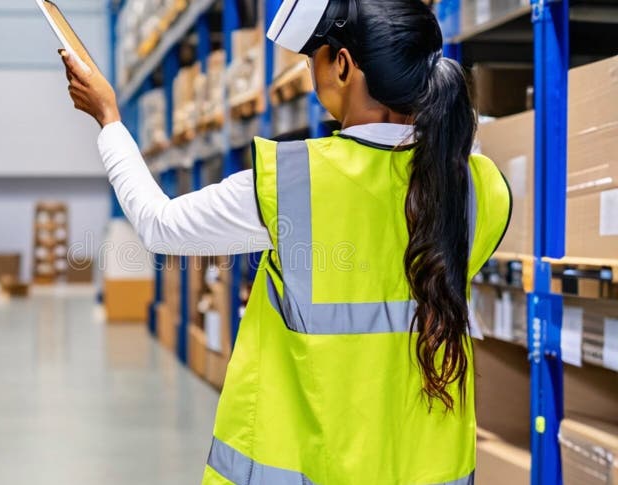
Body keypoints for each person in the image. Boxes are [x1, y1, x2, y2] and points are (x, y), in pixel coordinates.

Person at [60, 0, 511, 483]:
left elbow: (159, 225)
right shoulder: (478, 186)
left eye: (314, 56)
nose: (309, 70)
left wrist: (109, 120)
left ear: (343, 66)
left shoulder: (294, 180)